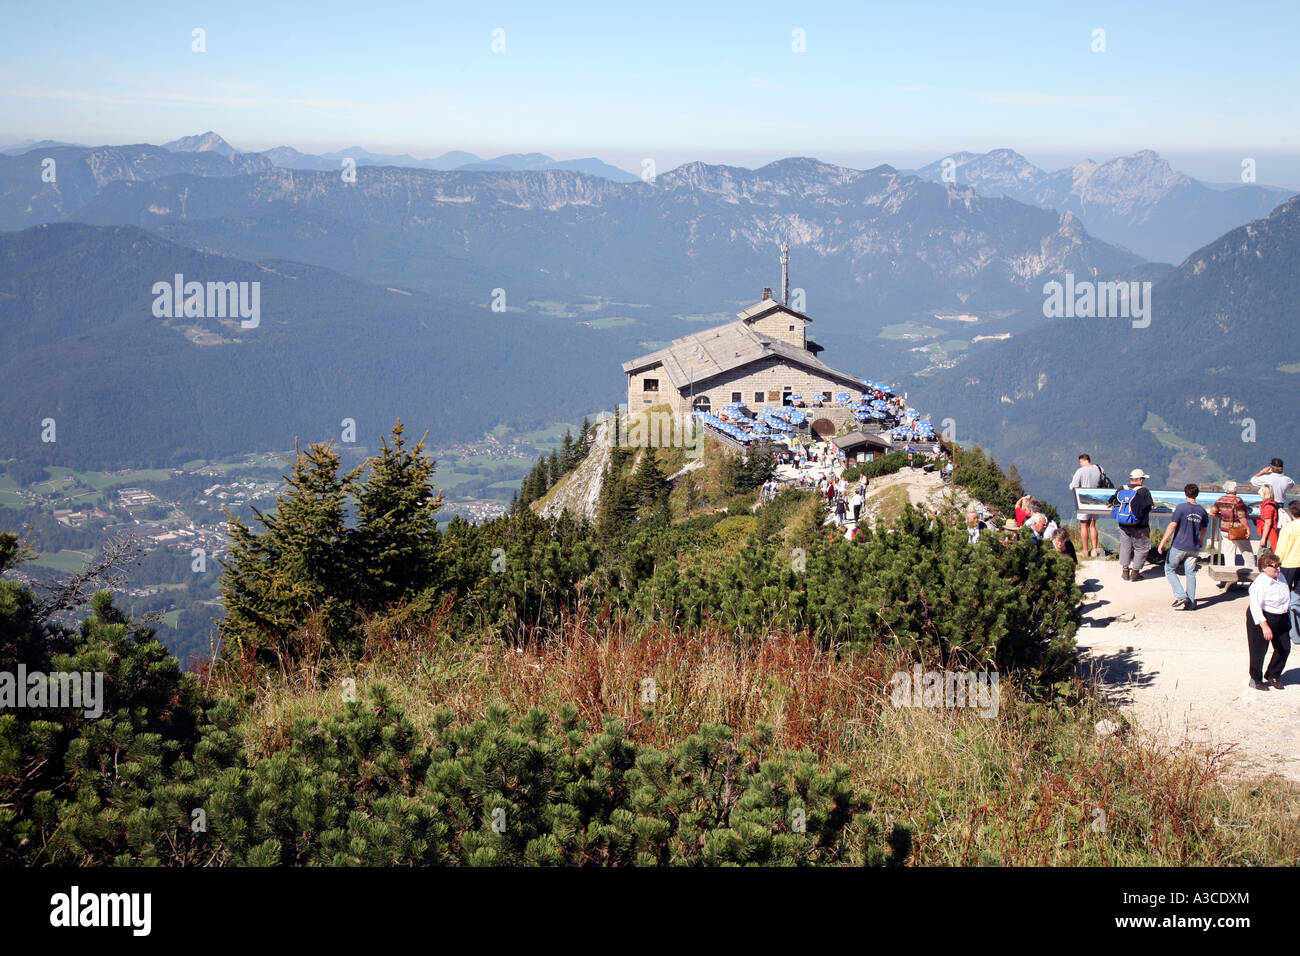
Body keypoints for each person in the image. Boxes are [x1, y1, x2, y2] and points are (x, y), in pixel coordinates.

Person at [1158, 483, 1209, 610]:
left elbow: (1172, 525)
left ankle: (1181, 595)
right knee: (1190, 574)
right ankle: (1190, 603)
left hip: (1179, 545)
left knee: (1169, 569)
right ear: (1197, 494)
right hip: (1194, 547)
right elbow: (1204, 528)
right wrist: (1201, 541)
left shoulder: (1181, 508)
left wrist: (1163, 542)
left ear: (1185, 494)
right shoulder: (1202, 511)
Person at [1245, 553, 1291, 690]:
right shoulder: (1259, 583)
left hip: (1280, 616)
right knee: (1258, 651)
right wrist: (1264, 626)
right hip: (1262, 617)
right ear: (1264, 567)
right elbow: (1255, 606)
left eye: (1278, 565)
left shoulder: (1280, 577)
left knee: (1284, 648)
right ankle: (1255, 679)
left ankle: (1273, 674)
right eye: (1274, 566)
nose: (1278, 569)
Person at [1112, 468, 1154, 581]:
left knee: (1125, 547)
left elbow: (1112, 502)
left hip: (1124, 524)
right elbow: (1151, 506)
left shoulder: (1121, 488)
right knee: (1141, 548)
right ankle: (1135, 572)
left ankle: (1125, 571)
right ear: (1140, 479)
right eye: (1143, 478)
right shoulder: (1144, 491)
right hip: (1140, 525)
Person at [1211, 480, 1254, 574]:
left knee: (1229, 554)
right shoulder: (1238, 501)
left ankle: (1229, 577)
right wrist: (1248, 528)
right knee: (1247, 553)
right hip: (1236, 529)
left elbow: (1212, 513)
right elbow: (1241, 516)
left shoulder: (1220, 500)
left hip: (1224, 530)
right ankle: (1250, 573)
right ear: (1235, 490)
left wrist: (1222, 516)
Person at [1069, 453, 1104, 557]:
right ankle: (1094, 550)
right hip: (1097, 499)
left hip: (1084, 500)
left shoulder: (1080, 471)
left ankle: (1085, 551)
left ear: (1082, 461)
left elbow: (1073, 486)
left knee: (1083, 525)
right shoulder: (1099, 469)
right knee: (1093, 525)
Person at [1274, 501, 1300, 592]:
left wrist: (1276, 561)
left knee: (1284, 589)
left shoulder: (1288, 528)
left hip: (1288, 563)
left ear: (1291, 513)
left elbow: (1282, 548)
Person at [1257, 485, 1280, 553]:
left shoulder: (1268, 507)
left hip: (1270, 534)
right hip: (1272, 531)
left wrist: (1263, 538)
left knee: (1263, 555)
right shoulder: (1272, 504)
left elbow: (1268, 523)